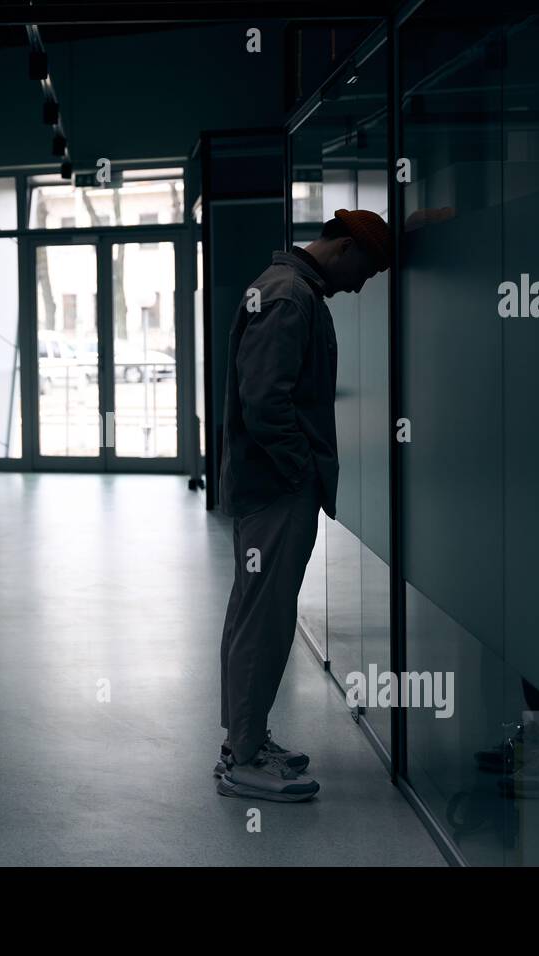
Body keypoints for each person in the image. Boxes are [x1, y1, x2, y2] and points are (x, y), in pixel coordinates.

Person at [215, 209, 392, 802]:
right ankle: (244, 759)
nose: (363, 285)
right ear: (344, 247)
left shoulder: (282, 286)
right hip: (276, 489)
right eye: (365, 270)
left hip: (265, 486)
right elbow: (265, 401)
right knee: (264, 619)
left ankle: (244, 740)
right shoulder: (291, 297)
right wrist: (300, 472)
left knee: (254, 612)